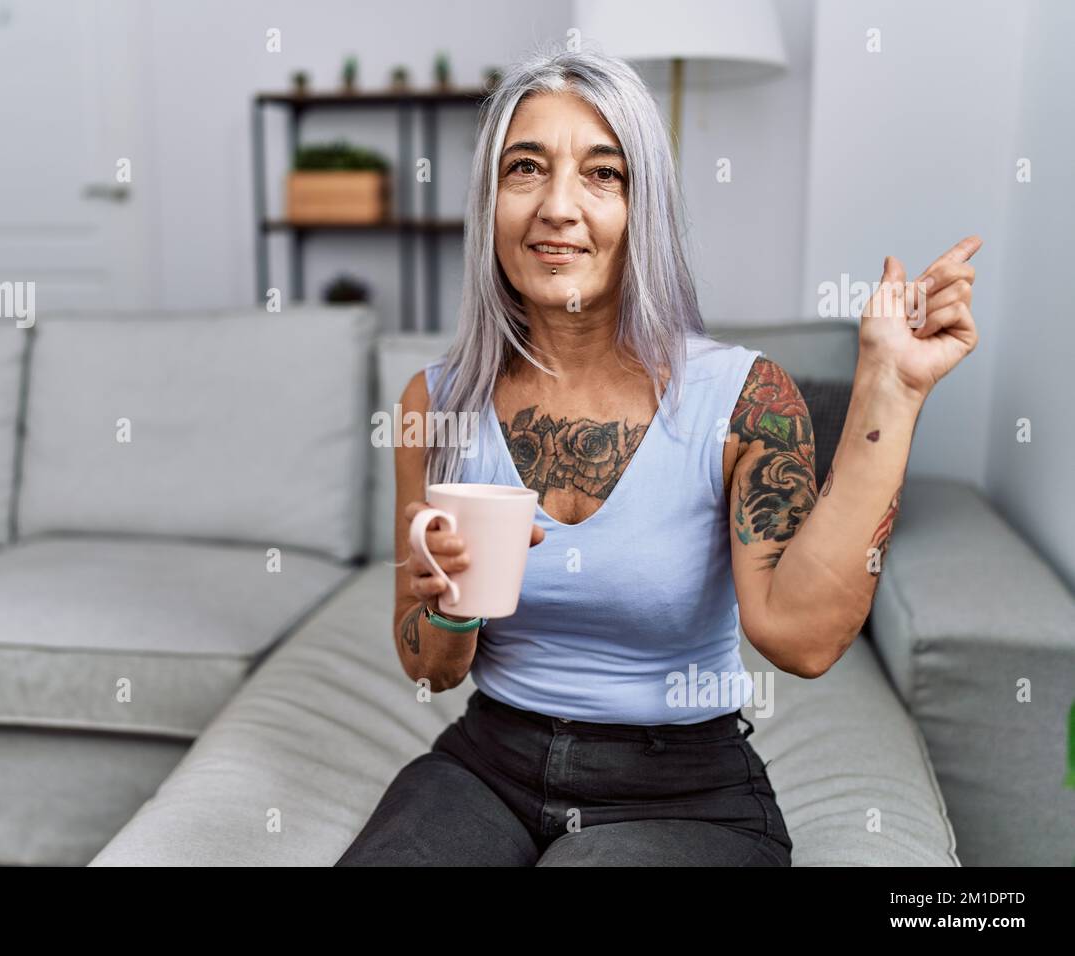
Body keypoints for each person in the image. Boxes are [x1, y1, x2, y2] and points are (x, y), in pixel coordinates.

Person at [336, 46, 979, 866]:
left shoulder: (746, 399)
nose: (558, 208)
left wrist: (888, 389)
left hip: (684, 791)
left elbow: (803, 640)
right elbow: (429, 671)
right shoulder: (436, 404)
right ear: (489, 200)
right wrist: (451, 608)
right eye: (525, 167)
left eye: (603, 174)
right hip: (485, 764)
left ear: (647, 206)